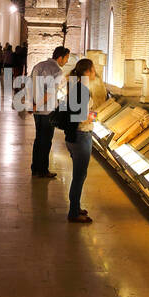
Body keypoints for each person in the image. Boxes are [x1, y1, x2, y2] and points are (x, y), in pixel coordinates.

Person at [61, 57, 98, 224]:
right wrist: (93, 116)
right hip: (81, 136)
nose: (95, 72)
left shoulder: (75, 87)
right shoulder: (82, 89)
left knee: (78, 175)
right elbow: (80, 116)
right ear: (88, 71)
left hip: (73, 136)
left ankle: (75, 207)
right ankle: (73, 212)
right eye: (93, 69)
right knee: (79, 176)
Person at [28, 46, 70, 179]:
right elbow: (50, 92)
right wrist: (37, 106)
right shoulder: (57, 70)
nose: (67, 61)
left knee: (38, 139)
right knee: (46, 141)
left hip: (37, 110)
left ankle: (35, 168)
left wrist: (32, 104)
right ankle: (43, 170)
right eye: (66, 58)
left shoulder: (38, 66)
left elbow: (30, 85)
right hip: (47, 110)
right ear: (60, 57)